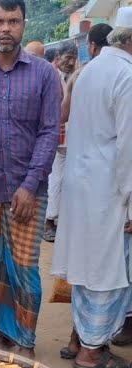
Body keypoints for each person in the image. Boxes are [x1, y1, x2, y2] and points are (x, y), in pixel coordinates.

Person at [0, 0, 61, 357]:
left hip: (28, 191)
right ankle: (6, 333)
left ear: (24, 24)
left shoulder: (43, 74)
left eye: (13, 21)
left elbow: (50, 132)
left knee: (23, 267)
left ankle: (25, 339)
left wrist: (28, 185)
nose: (5, 28)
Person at [53, 9, 132, 368]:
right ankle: (92, 352)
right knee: (109, 272)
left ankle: (77, 339)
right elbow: (129, 148)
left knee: (88, 268)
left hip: (82, 183)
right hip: (110, 189)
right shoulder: (126, 75)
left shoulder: (91, 70)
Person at [48, 32, 108, 238]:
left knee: (65, 179)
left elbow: (63, 113)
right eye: (67, 58)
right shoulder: (62, 74)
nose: (70, 62)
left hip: (78, 140)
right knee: (60, 178)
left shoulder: (80, 74)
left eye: (73, 59)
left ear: (91, 46)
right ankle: (53, 220)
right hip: (74, 140)